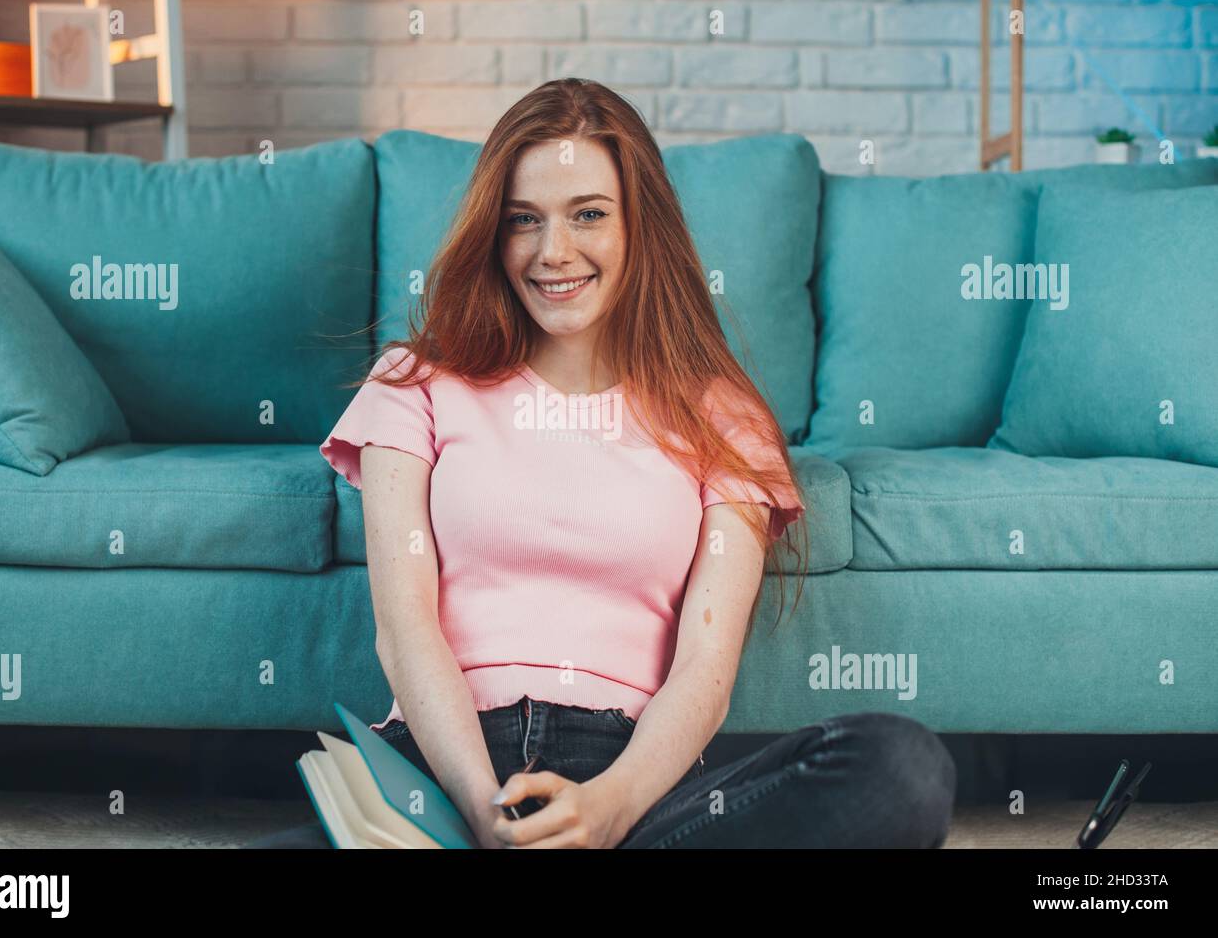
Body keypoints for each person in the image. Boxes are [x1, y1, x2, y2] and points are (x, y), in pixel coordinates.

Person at [250, 77, 955, 849]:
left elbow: (705, 673)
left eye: (589, 214)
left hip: (632, 783)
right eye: (524, 221)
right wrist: (487, 816)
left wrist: (608, 808)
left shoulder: (725, 417)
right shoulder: (414, 383)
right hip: (446, 771)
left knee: (901, 767)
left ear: (639, 226)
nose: (554, 253)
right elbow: (405, 630)